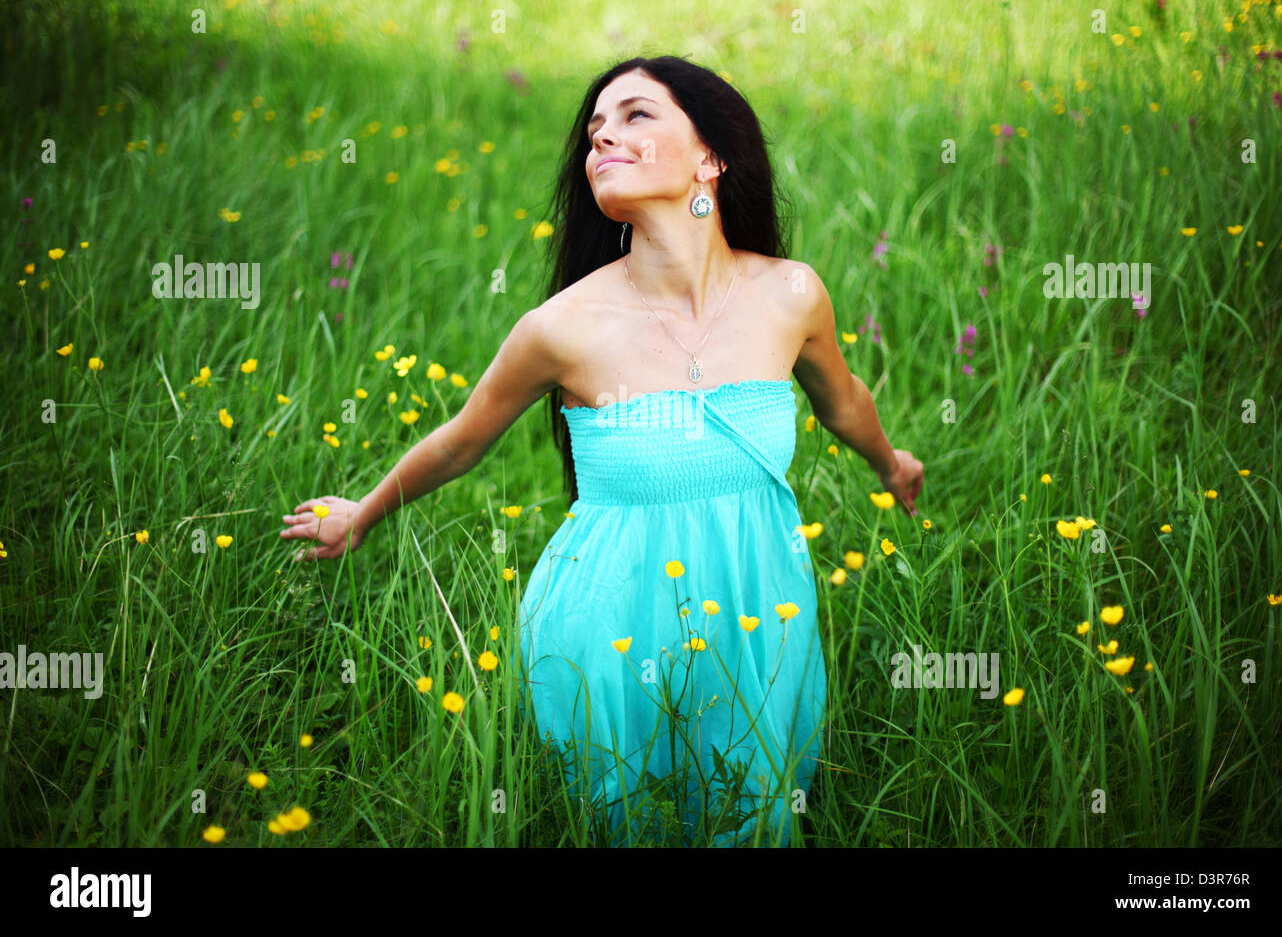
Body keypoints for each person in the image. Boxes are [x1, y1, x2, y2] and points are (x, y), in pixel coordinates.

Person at [277, 55, 924, 846]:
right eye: (594, 131)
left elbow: (844, 402)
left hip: (765, 614)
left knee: (751, 823)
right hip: (607, 637)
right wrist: (363, 514)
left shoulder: (789, 295)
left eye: (636, 116)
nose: (603, 138)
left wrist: (891, 465)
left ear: (711, 157)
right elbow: (460, 443)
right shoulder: (564, 327)